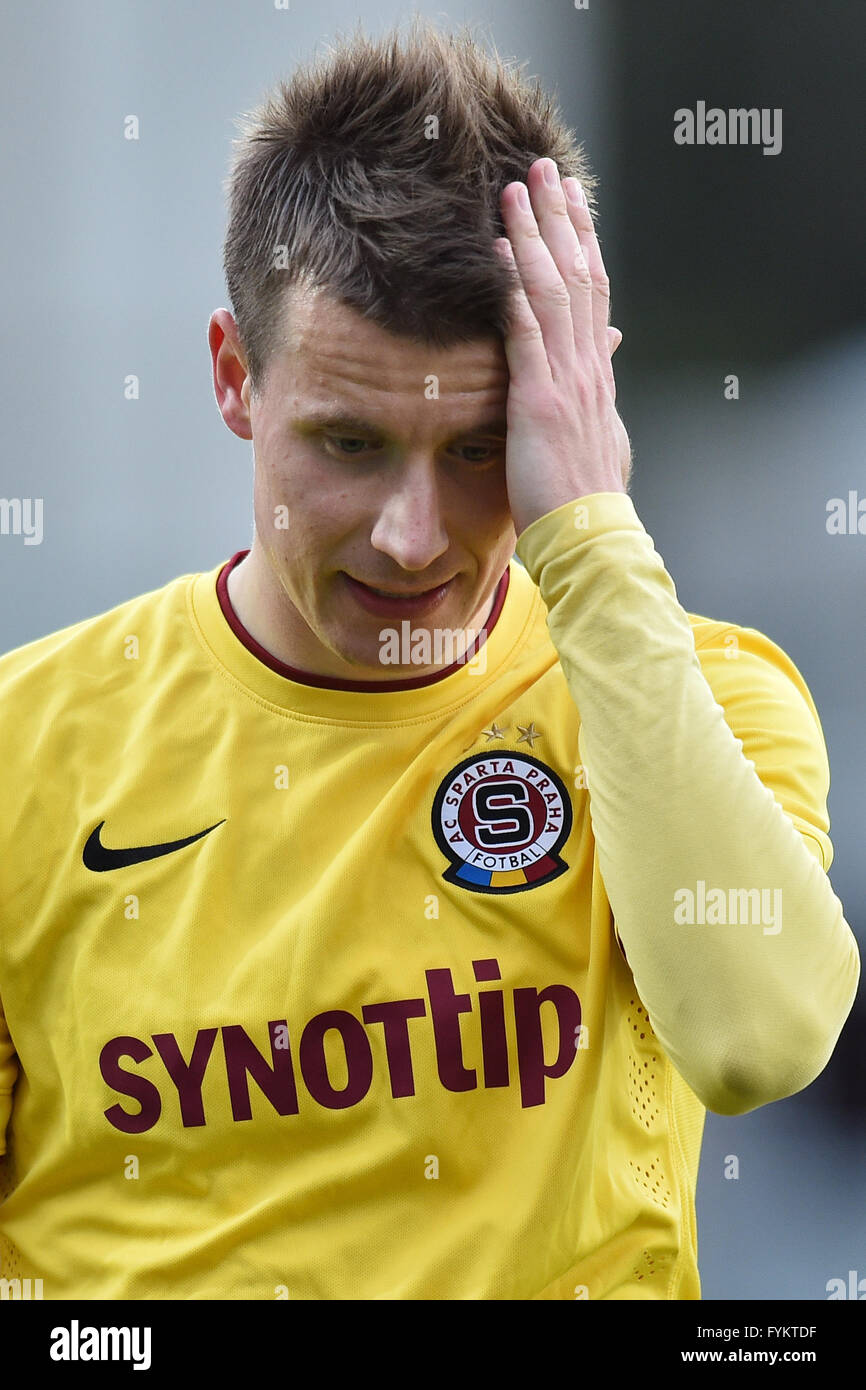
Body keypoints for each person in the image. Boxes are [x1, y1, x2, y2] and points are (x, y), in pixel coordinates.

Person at [0, 18, 858, 1301]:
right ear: (235, 378)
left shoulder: (700, 701)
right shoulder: (30, 744)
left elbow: (758, 1041)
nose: (410, 539)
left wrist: (588, 531)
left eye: (477, 451)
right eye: (348, 444)